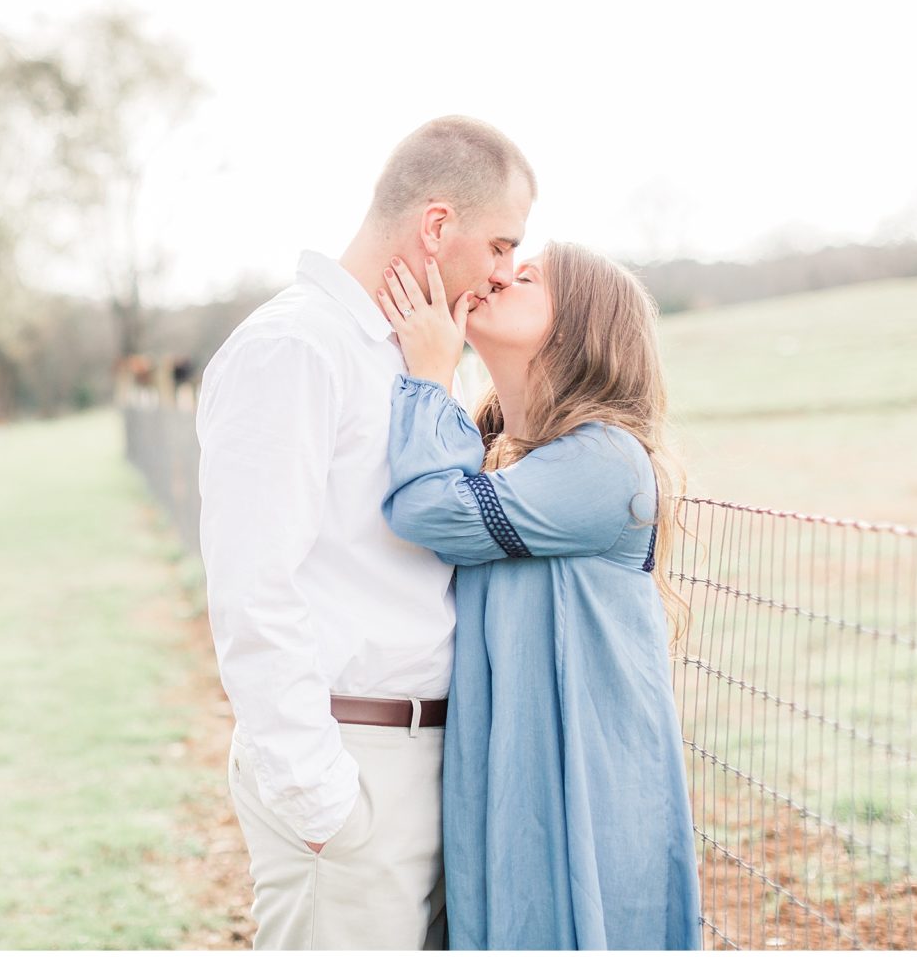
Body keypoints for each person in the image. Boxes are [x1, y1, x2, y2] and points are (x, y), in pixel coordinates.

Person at [196, 116, 535, 949]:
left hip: (420, 762)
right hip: (351, 765)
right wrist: (322, 801)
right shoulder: (295, 349)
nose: (501, 273)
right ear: (435, 226)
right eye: (499, 245)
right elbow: (252, 589)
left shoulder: (408, 358)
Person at [375, 239, 702, 949]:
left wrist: (432, 377)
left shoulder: (607, 460)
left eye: (526, 278)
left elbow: (434, 511)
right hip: (508, 764)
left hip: (586, 771)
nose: (499, 277)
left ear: (578, 328)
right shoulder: (494, 447)